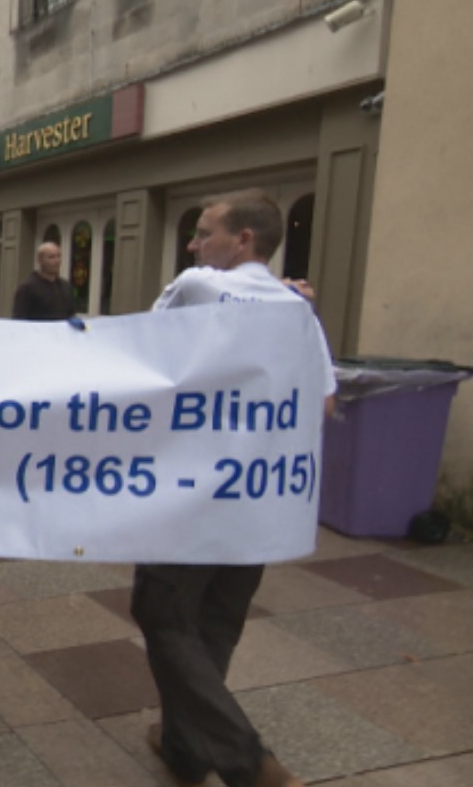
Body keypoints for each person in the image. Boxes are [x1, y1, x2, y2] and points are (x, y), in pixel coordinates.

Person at [133, 190, 333, 787]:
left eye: (204, 233)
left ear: (243, 239)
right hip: (261, 497)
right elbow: (322, 403)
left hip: (192, 494)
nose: (194, 245)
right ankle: (184, 747)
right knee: (215, 623)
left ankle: (252, 765)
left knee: (163, 615)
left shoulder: (199, 286)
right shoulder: (298, 311)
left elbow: (142, 353)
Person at [11, 241, 74, 320]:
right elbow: (19, 318)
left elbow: (71, 315)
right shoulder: (27, 288)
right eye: (51, 257)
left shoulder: (65, 287)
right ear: (40, 260)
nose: (57, 261)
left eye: (58, 256)